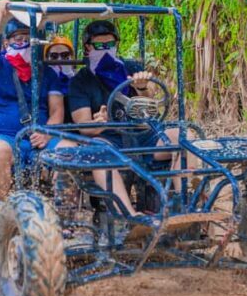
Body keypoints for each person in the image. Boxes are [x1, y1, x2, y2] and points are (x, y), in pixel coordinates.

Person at [67, 20, 189, 216]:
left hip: (143, 135)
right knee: (97, 151)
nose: (106, 50)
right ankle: (129, 215)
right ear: (88, 47)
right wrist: (101, 122)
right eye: (100, 45)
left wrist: (141, 87)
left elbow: (150, 108)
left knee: (182, 135)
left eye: (111, 44)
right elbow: (84, 126)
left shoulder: (131, 67)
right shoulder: (81, 81)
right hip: (109, 139)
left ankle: (189, 203)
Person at [0, 0, 65, 198]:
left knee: (69, 148)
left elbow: (57, 110)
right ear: (6, 43)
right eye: (17, 39)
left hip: (40, 138)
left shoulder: (47, 73)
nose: (23, 43)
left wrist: (47, 133)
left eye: (28, 38)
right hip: (3, 138)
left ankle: (66, 214)